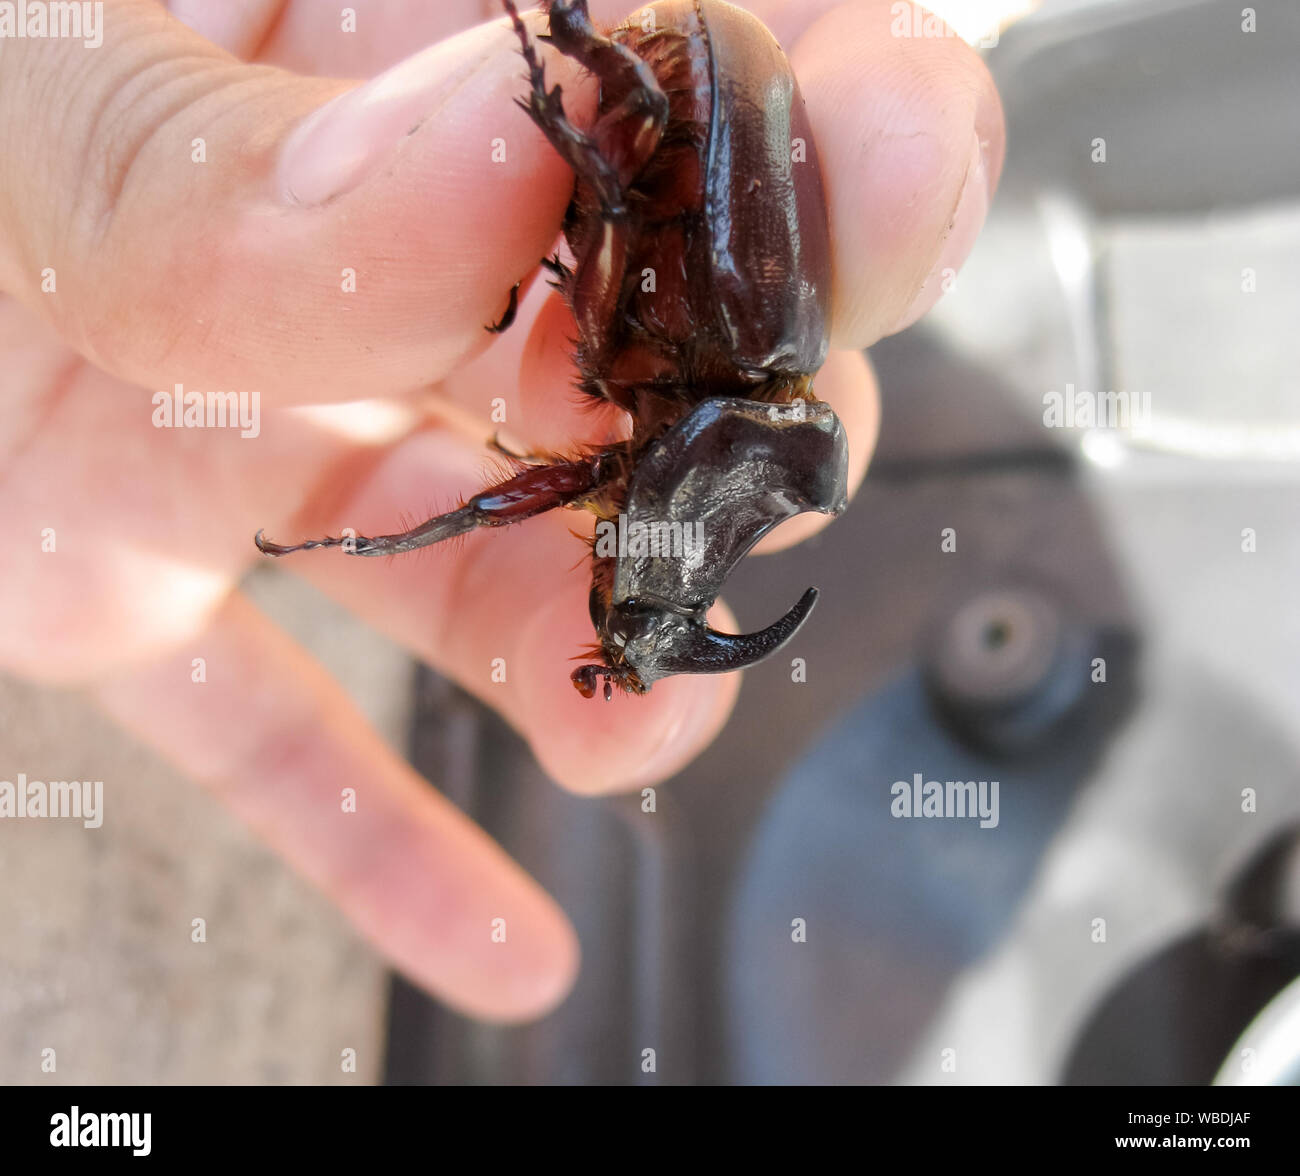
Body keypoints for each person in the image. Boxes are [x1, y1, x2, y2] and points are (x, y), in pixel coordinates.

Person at [0, 0, 1004, 1021]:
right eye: (626, 587)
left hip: (677, 103)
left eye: (622, 590)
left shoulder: (690, 387)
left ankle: (552, 51)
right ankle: (552, 37)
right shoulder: (726, 333)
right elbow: (609, 213)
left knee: (616, 229)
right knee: (626, 201)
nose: (608, 574)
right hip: (676, 75)